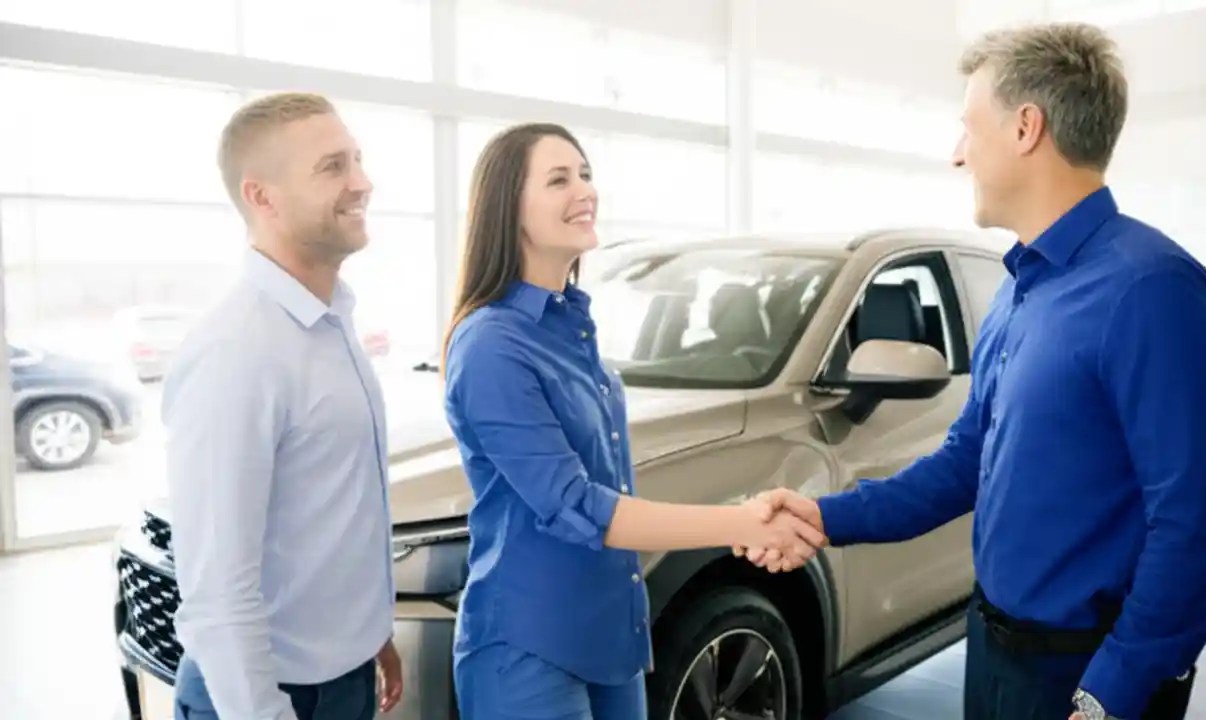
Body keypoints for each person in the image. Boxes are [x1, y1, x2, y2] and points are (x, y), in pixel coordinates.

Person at [740, 22, 1206, 720]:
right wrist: (824, 516)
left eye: (968, 128)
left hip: (1086, 674)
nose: (958, 155)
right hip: (997, 649)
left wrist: (1112, 692)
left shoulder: (1151, 289)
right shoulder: (1018, 288)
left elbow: (1203, 524)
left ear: (1025, 128)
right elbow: (966, 463)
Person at [441, 122, 827, 720]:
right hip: (529, 646)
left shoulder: (572, 324)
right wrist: (740, 523)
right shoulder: (493, 344)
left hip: (613, 638)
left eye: (587, 174)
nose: (584, 191)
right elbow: (576, 502)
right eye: (559, 179)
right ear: (507, 208)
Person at [166, 92, 403, 720]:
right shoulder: (237, 350)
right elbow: (217, 592)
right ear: (261, 197)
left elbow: (329, 511)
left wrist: (368, 632)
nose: (363, 183)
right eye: (333, 167)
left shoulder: (331, 320)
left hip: (341, 677)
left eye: (357, 160)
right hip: (265, 697)